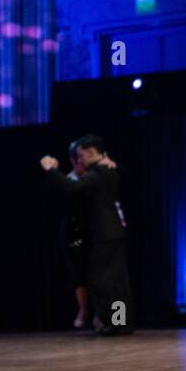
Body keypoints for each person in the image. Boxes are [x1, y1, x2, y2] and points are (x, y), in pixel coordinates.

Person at [40, 135, 133, 336]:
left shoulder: (98, 172)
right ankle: (121, 323)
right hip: (114, 231)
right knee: (116, 283)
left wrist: (50, 169)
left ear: (92, 153)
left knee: (100, 281)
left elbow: (71, 186)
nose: (79, 160)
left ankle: (112, 322)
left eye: (81, 155)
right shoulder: (109, 169)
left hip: (105, 233)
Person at [60, 140, 93, 329]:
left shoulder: (97, 175)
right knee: (78, 272)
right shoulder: (69, 180)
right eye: (77, 158)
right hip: (74, 229)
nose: (80, 161)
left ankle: (101, 312)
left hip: (95, 228)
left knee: (98, 272)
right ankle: (83, 309)